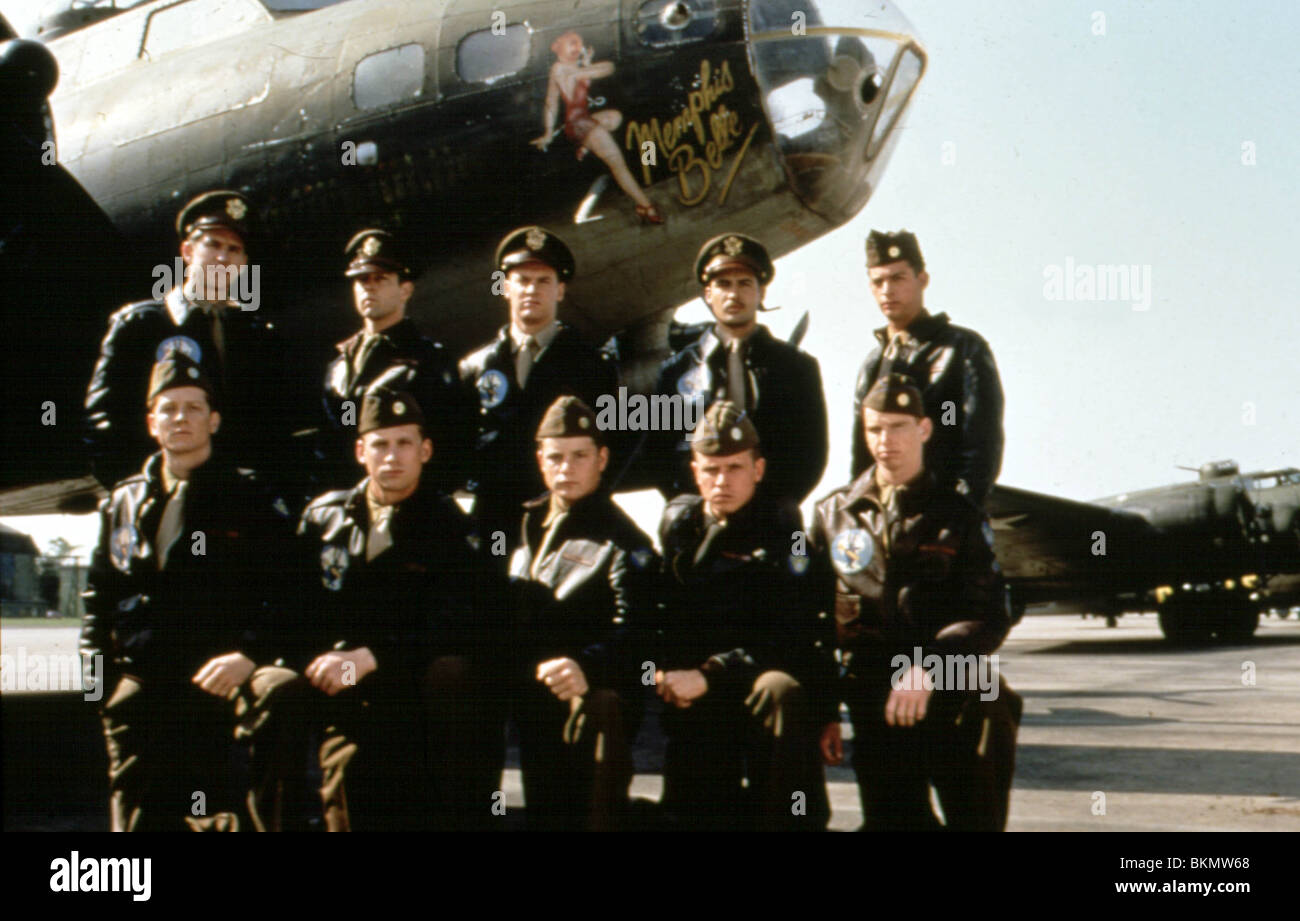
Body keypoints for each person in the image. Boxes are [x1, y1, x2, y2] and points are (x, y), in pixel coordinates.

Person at [80, 354, 296, 831]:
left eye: (194, 408)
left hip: (217, 670)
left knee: (226, 808)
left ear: (214, 420)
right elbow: (99, 595)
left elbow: (289, 595)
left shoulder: (250, 500)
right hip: (145, 673)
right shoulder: (123, 501)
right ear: (152, 421)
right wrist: (98, 679)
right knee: (137, 812)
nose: (181, 418)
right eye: (169, 408)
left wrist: (250, 654)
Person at [812, 374, 1021, 831]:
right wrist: (826, 710)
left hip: (941, 683)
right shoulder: (832, 515)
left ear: (924, 429)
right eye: (875, 428)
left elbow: (990, 613)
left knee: (991, 695)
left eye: (899, 427)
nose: (886, 441)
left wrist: (930, 666)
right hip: (874, 693)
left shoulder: (958, 514)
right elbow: (810, 620)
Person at [288, 388, 503, 831]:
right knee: (348, 787)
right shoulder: (322, 519)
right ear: (360, 451)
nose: (392, 456)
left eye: (404, 443)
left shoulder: (452, 529)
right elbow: (295, 609)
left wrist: (374, 657)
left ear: (425, 450)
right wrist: (325, 662)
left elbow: (456, 622)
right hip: (342, 687)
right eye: (380, 444)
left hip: (411, 686)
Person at [656, 400, 837, 831]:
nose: (723, 481)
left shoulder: (786, 535)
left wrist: (714, 672)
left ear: (758, 470)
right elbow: (659, 614)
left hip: (755, 675)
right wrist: (663, 673)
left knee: (782, 691)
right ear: (694, 472)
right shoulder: (678, 528)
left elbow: (794, 636)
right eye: (711, 469)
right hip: (695, 688)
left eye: (735, 468)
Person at [508, 396, 657, 830]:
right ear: (540, 460)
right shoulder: (520, 525)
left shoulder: (625, 541)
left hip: (578, 688)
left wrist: (587, 666)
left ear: (602, 459)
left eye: (579, 456)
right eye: (555, 457)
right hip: (521, 682)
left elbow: (637, 632)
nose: (565, 468)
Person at [84, 190, 298, 489]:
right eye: (212, 244)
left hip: (239, 502)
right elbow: (105, 421)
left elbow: (274, 428)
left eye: (234, 249)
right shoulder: (141, 325)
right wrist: (135, 491)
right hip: (163, 495)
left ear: (244, 262)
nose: (223, 257)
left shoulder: (257, 336)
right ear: (187, 251)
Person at [460, 226, 618, 556]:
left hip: (564, 520)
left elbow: (612, 446)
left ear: (560, 290)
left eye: (544, 280)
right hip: (495, 523)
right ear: (504, 288)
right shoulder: (476, 367)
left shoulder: (591, 366)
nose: (532, 289)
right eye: (522, 280)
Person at [637, 233, 828, 506]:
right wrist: (694, 504)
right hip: (698, 516)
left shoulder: (796, 368)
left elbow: (811, 455)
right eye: (723, 284)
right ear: (707, 294)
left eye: (745, 284)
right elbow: (658, 453)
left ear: (761, 291)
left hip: (771, 514)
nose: (733, 294)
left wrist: (771, 504)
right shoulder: (675, 371)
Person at [849, 229, 1004, 504]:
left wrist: (959, 514)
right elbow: (863, 456)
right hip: (886, 516)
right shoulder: (873, 364)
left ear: (922, 280)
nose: (888, 290)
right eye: (879, 281)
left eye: (898, 278)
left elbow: (981, 445)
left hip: (945, 514)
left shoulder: (962, 350)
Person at [320, 228, 476, 492]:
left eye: (380, 278)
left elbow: (450, 444)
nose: (369, 286)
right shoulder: (339, 362)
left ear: (405, 290)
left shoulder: (428, 361)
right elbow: (332, 440)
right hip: (352, 500)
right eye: (361, 280)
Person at [530, 30, 664, 224]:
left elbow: (607, 68)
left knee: (614, 117)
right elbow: (552, 102)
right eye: (572, 42)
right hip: (579, 124)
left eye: (580, 43)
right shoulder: (559, 68)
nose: (578, 47)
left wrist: (584, 67)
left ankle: (586, 145)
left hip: (582, 121)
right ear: (556, 46)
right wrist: (548, 133)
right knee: (617, 164)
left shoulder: (574, 67)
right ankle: (645, 206)